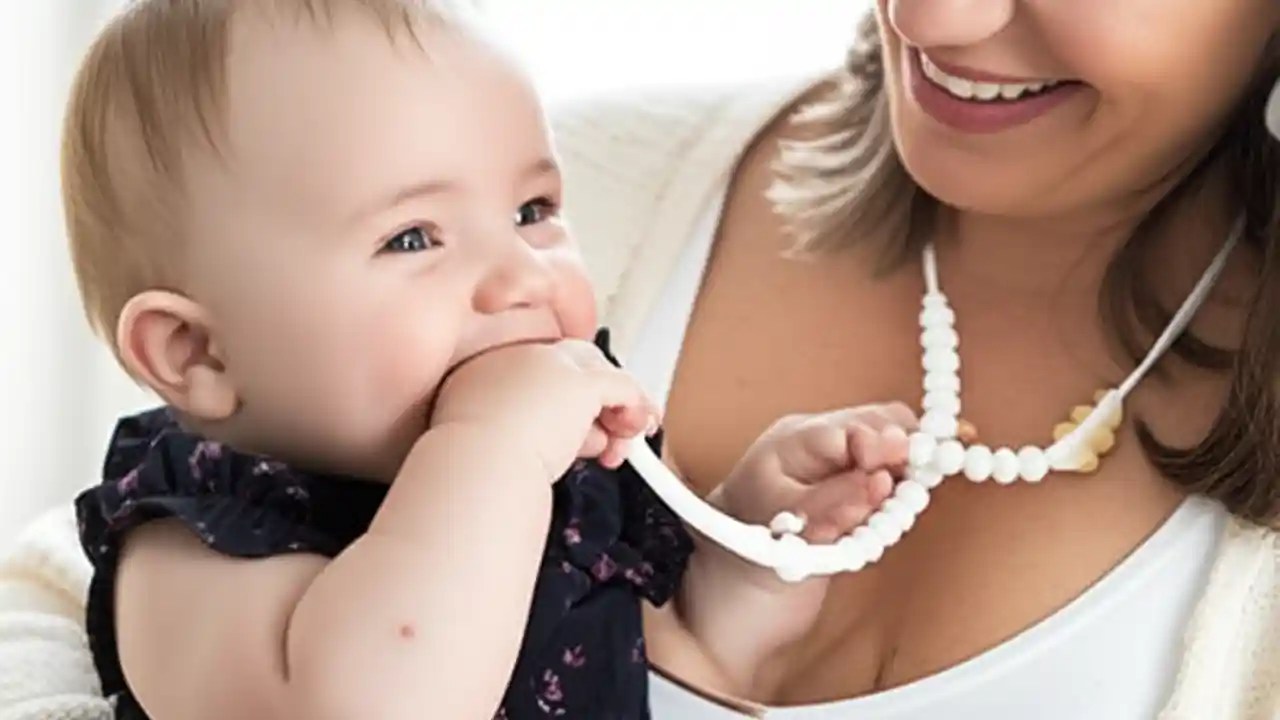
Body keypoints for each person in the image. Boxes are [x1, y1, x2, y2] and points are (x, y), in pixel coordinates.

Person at [1, 0, 1278, 718]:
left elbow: (682, 663)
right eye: (409, 238)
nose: (521, 278)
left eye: (536, 211)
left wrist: (739, 553)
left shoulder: (544, 479)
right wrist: (487, 456)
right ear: (194, 353)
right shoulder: (202, 536)